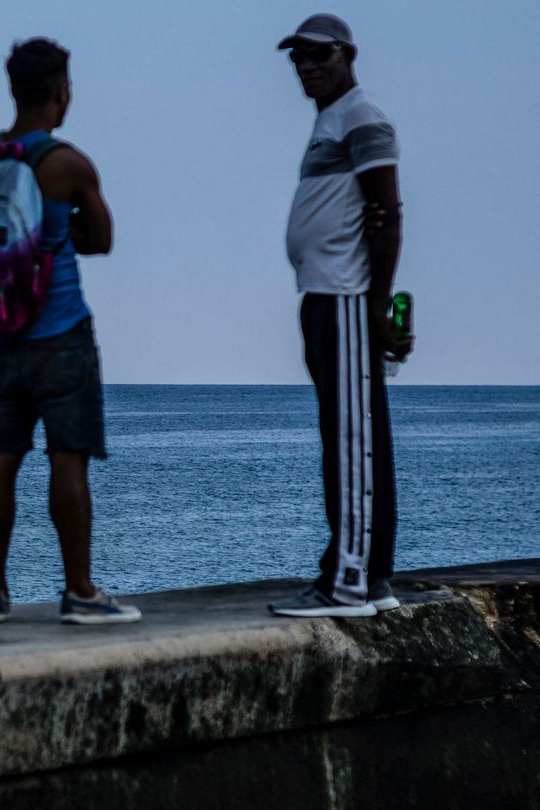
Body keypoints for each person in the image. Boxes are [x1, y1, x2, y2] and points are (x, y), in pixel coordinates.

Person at [0, 38, 139, 625]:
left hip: (0, 335)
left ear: (13, 89)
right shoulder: (67, 164)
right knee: (69, 459)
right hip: (60, 330)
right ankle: (80, 591)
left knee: (1, 458)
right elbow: (102, 240)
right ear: (62, 91)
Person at [268, 14, 412, 618]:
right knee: (347, 435)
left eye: (317, 55)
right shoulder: (330, 120)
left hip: (347, 297)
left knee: (354, 439)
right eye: (297, 58)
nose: (306, 67)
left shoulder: (361, 114)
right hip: (325, 297)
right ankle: (363, 573)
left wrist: (378, 307)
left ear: (347, 54)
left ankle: (351, 581)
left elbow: (387, 211)